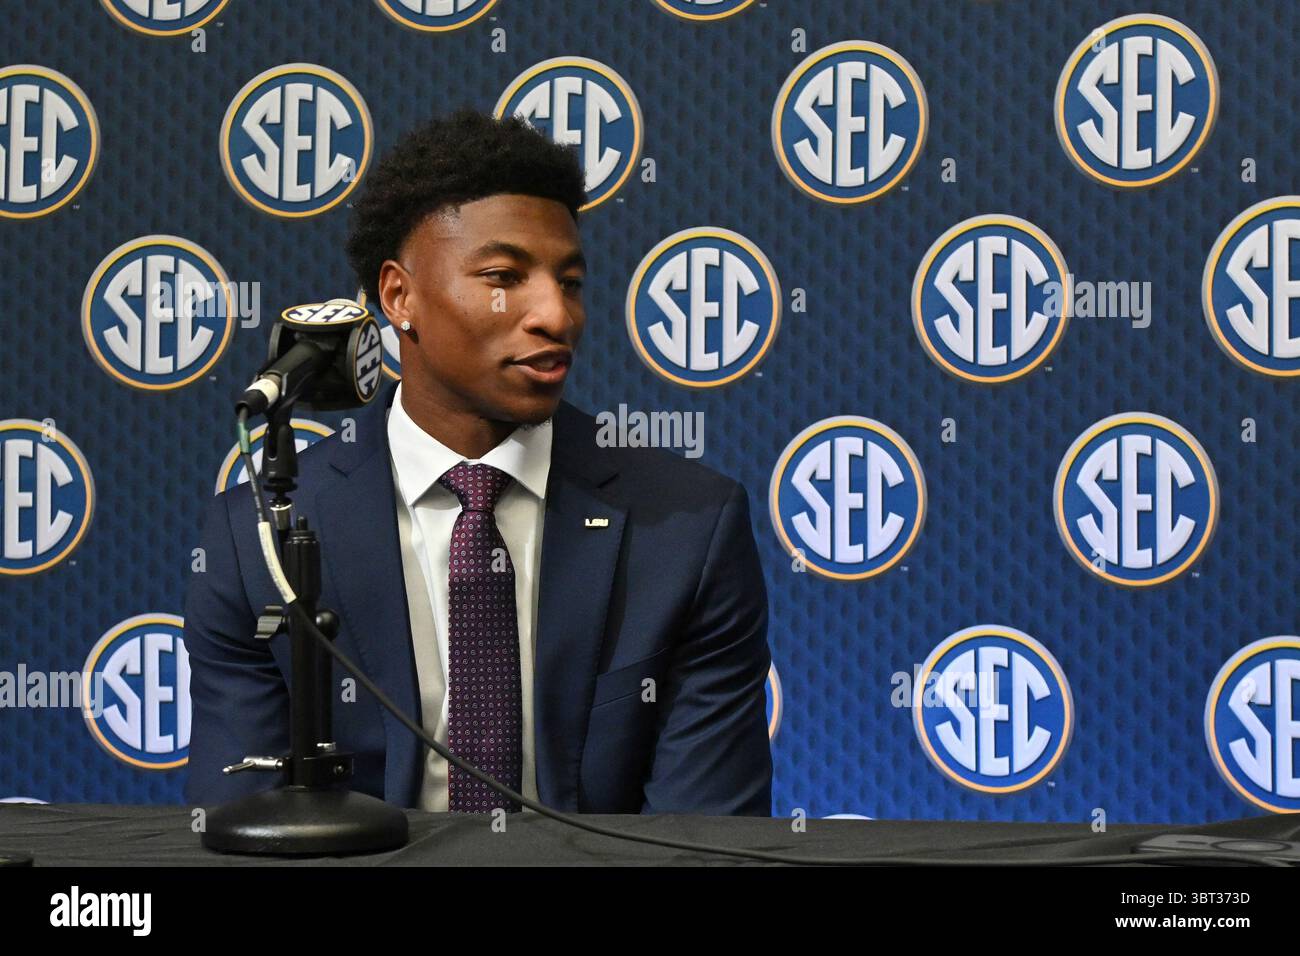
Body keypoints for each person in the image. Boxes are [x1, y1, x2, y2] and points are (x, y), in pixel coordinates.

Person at [183, 108, 772, 815]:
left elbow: (702, 840)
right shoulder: (261, 539)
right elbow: (246, 825)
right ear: (400, 297)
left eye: (571, 281)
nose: (557, 315)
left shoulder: (688, 528)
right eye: (504, 277)